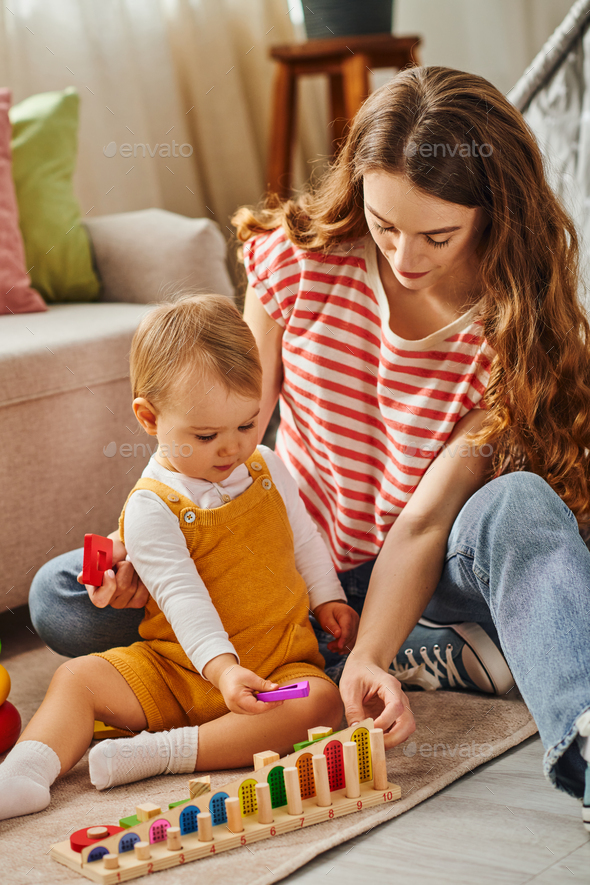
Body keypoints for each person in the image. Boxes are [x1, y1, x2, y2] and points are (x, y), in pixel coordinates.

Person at [29, 65, 590, 825]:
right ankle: (423, 651)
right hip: (280, 559)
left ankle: (568, 731)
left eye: (438, 235)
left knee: (521, 506)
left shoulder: (508, 330)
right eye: (385, 224)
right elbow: (235, 428)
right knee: (63, 598)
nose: (404, 257)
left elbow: (423, 525)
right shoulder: (301, 260)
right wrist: (151, 543)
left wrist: (365, 656)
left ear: (494, 213)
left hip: (419, 565)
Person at [0, 294, 358, 821]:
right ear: (149, 417)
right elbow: (183, 600)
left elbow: (303, 538)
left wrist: (327, 596)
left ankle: (159, 753)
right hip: (176, 670)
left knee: (324, 703)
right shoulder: (151, 507)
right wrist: (223, 670)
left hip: (277, 667)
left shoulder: (266, 464)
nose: (232, 448)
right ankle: (24, 773)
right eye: (207, 435)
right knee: (76, 679)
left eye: (247, 423)